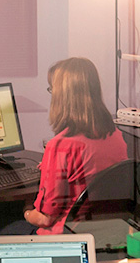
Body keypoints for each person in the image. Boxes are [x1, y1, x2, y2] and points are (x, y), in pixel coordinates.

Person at [24, 56, 129, 235]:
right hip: (107, 232)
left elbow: (45, 218)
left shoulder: (60, 146)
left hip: (67, 237)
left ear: (62, 97)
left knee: (3, 228)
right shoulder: (116, 135)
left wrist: (26, 212)